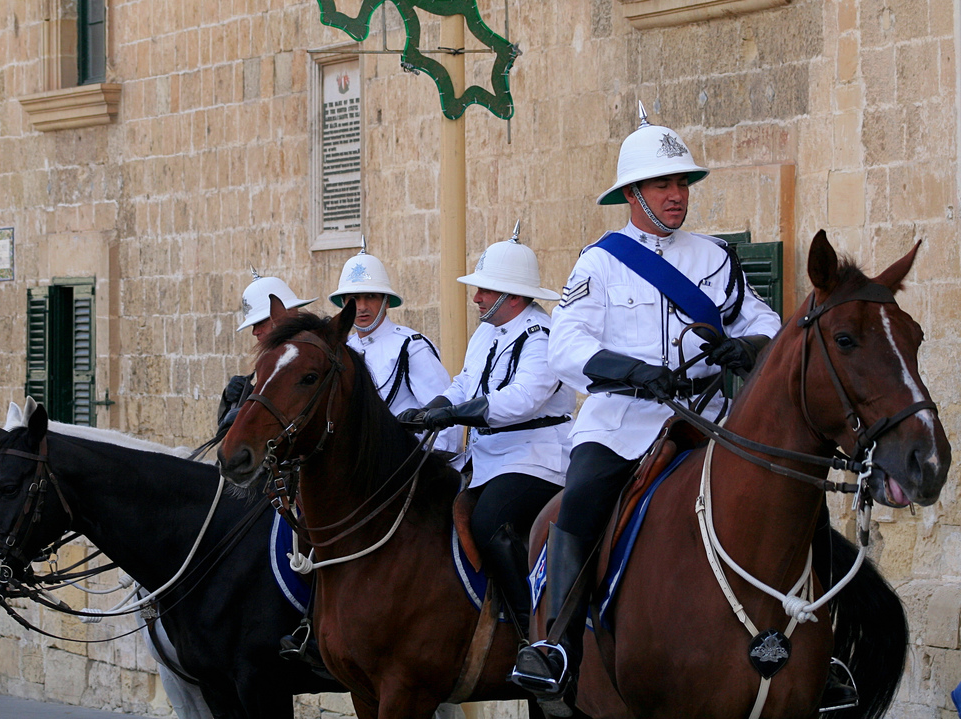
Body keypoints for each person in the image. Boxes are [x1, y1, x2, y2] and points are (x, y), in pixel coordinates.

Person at [511, 104, 785, 716]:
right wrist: (630, 369)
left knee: (785, 493)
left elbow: (765, 320)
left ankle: (827, 641)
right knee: (579, 502)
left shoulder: (714, 258)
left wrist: (746, 344)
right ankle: (557, 648)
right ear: (632, 193)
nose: (676, 194)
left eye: (682, 182)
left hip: (707, 421)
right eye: (663, 184)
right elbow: (567, 346)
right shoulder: (599, 262)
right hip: (620, 422)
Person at [398, 226, 576, 643]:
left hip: (535, 458)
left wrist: (458, 414)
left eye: (484, 290)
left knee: (492, 523)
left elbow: (524, 399)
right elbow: (464, 382)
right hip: (487, 459)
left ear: (512, 296)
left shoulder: (542, 337)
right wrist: (432, 409)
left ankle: (531, 632)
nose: (476, 297)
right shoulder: (486, 332)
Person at [330, 247, 460, 454]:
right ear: (344, 305)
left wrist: (438, 462)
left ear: (386, 301)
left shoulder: (410, 346)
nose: (361, 306)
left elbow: (443, 413)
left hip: (403, 463)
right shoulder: (343, 350)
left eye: (370, 296)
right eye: (353, 299)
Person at [217, 270, 317, 434]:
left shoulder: (312, 359)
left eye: (261, 322)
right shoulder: (268, 363)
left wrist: (245, 415)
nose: (255, 332)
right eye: (253, 325)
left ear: (286, 314)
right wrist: (230, 400)